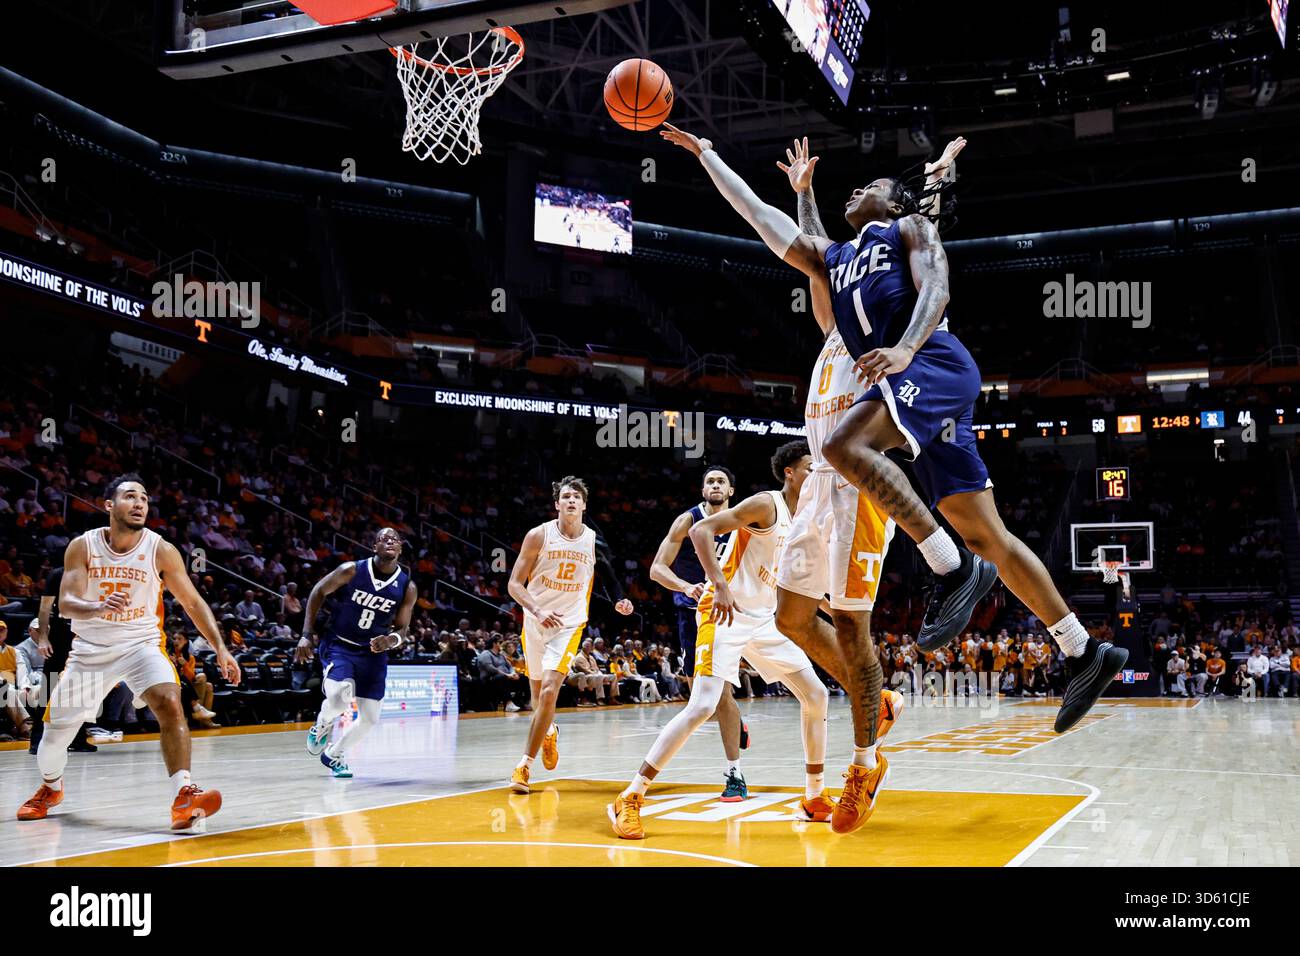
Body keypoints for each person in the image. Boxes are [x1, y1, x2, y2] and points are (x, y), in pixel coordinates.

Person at [660, 122, 1129, 734]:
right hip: (916, 382)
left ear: (898, 203)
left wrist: (907, 346)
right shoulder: (834, 258)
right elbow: (760, 214)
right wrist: (709, 155)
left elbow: (937, 280)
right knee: (988, 534)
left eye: (871, 185)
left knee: (842, 445)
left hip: (933, 360)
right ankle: (1083, 651)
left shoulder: (909, 227)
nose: (856, 189)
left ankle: (948, 566)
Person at [609, 442, 903, 840]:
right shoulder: (767, 504)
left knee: (815, 696)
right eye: (808, 467)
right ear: (789, 473)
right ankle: (630, 797)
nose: (816, 473)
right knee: (702, 706)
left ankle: (814, 797)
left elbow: (798, 587)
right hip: (723, 612)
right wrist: (719, 585)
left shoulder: (808, 519)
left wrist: (838, 613)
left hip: (765, 618)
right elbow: (701, 530)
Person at [17, 474, 241, 829]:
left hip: (141, 644)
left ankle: (184, 795)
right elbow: (67, 603)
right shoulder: (83, 546)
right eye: (130, 497)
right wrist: (100, 607)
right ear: (109, 505)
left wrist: (221, 649)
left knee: (170, 700)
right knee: (55, 734)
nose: (139, 504)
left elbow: (193, 603)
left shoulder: (161, 549)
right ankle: (51, 787)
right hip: (90, 650)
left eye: (145, 499)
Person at [506, 477, 634, 793]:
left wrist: (620, 597)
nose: (572, 500)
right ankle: (548, 731)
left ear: (584, 505)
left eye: (577, 496)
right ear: (557, 504)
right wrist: (536, 610)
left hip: (568, 626)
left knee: (550, 691)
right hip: (535, 622)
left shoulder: (593, 541)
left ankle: (524, 766)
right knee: (538, 698)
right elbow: (514, 584)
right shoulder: (539, 535)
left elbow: (609, 574)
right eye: (566, 496)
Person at [648, 465, 749, 794]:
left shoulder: (744, 521)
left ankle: (735, 773)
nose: (716, 485)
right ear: (703, 490)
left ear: (731, 490)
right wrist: (685, 585)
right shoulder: (687, 521)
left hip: (731, 615)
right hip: (693, 613)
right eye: (710, 481)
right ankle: (736, 726)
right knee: (702, 697)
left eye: (722, 481)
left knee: (720, 697)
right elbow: (657, 569)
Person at [302, 527, 417, 778]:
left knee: (370, 718)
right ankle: (321, 725)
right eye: (383, 539)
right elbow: (318, 592)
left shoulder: (407, 586)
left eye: (395, 540)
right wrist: (306, 635)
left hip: (373, 654)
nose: (390, 542)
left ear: (400, 548)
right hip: (340, 644)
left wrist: (391, 640)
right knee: (339, 698)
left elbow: (403, 629)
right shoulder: (351, 570)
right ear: (374, 546)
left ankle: (334, 754)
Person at [24, 567, 97, 755]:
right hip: (59, 635)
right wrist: (43, 638)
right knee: (49, 687)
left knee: (81, 689)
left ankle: (78, 738)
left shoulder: (95, 573)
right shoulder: (58, 575)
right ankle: (37, 739)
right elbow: (44, 608)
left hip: (84, 636)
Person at [477, 635, 524, 711]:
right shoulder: (485, 654)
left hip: (505, 677)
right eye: (500, 642)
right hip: (490, 679)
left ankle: (524, 702)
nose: (502, 644)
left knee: (523, 677)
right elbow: (491, 669)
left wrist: (513, 673)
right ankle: (508, 704)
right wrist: (507, 675)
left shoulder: (501, 655)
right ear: (494, 644)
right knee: (501, 677)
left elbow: (510, 666)